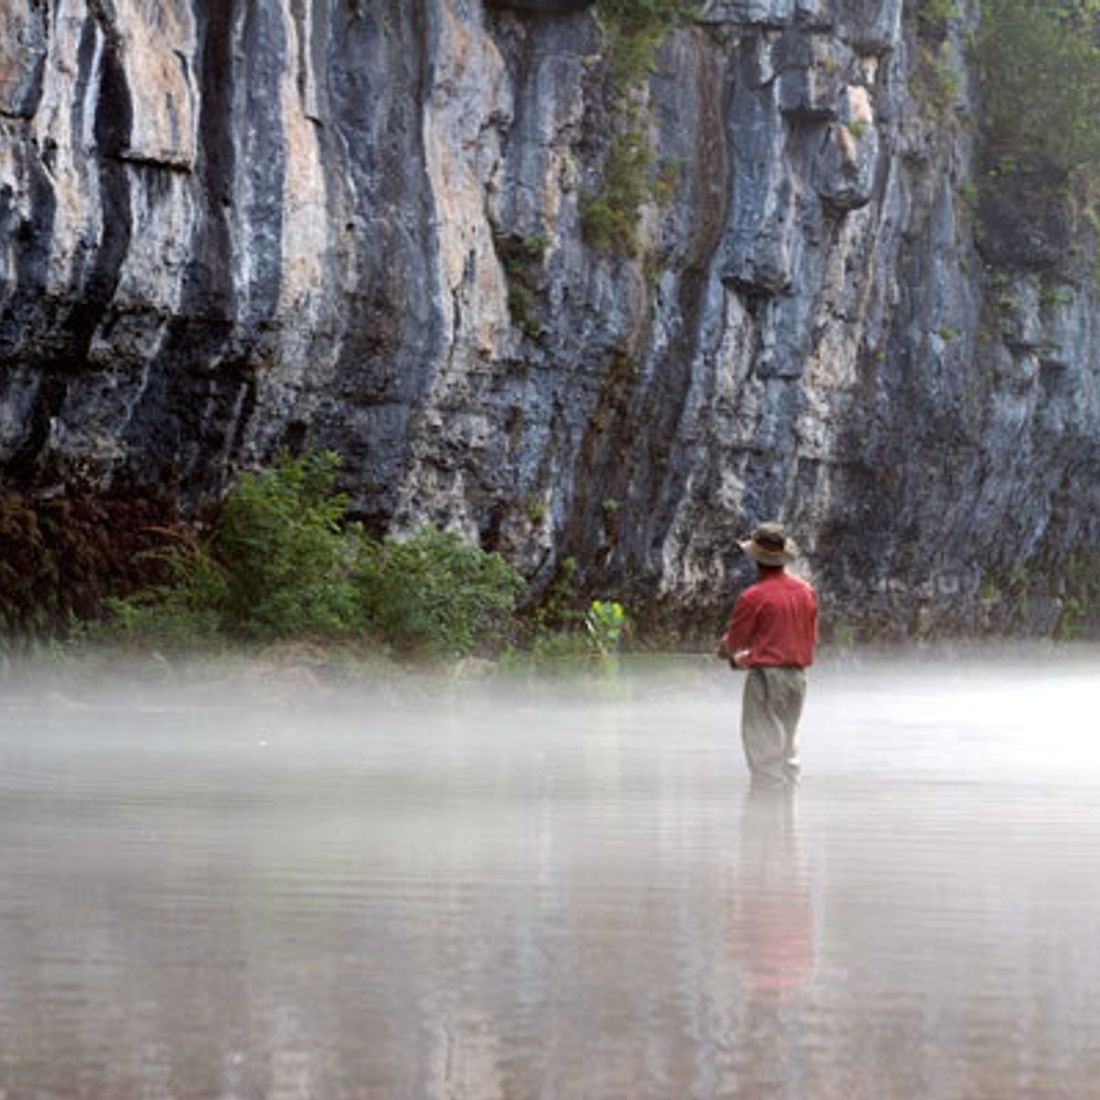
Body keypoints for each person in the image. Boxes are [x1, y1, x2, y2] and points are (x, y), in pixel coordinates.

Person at [717, 522, 818, 787]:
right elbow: (807, 638)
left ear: (756, 558)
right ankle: (787, 822)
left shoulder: (753, 596)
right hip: (798, 680)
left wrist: (728, 652)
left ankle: (763, 822)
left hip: (765, 682)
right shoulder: (806, 593)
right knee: (788, 755)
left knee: (765, 762)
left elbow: (735, 643)